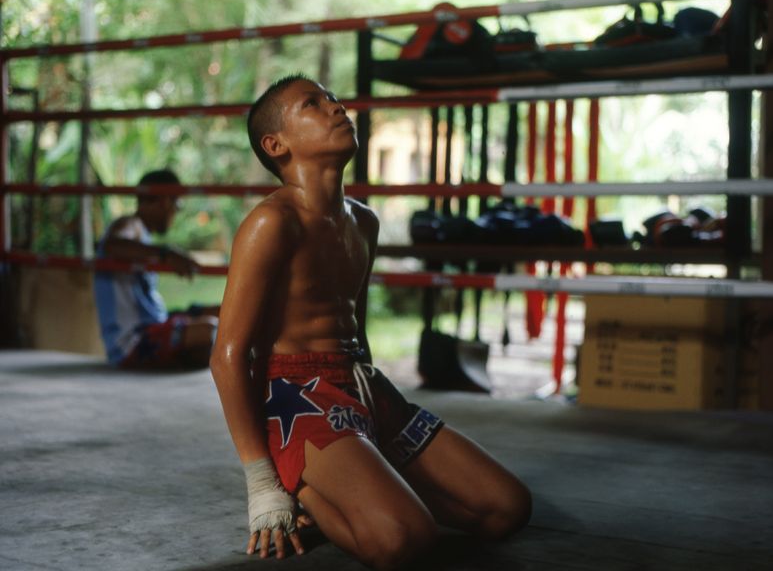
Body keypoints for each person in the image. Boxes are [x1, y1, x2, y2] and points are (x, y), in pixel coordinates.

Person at [210, 75, 532, 569]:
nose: (336, 108)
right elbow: (228, 356)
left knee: (505, 508)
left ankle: (368, 485)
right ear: (277, 145)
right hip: (295, 395)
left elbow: (355, 329)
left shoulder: (364, 221)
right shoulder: (271, 222)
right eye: (312, 105)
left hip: (360, 386)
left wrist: (374, 412)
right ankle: (307, 493)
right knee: (403, 540)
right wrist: (261, 484)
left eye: (333, 99)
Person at [94, 168, 218, 369]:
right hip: (133, 341)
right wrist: (165, 253)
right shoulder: (130, 225)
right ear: (164, 201)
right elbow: (112, 245)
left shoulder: (142, 237)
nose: (176, 211)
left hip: (156, 323)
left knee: (223, 312)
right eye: (176, 203)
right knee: (210, 331)